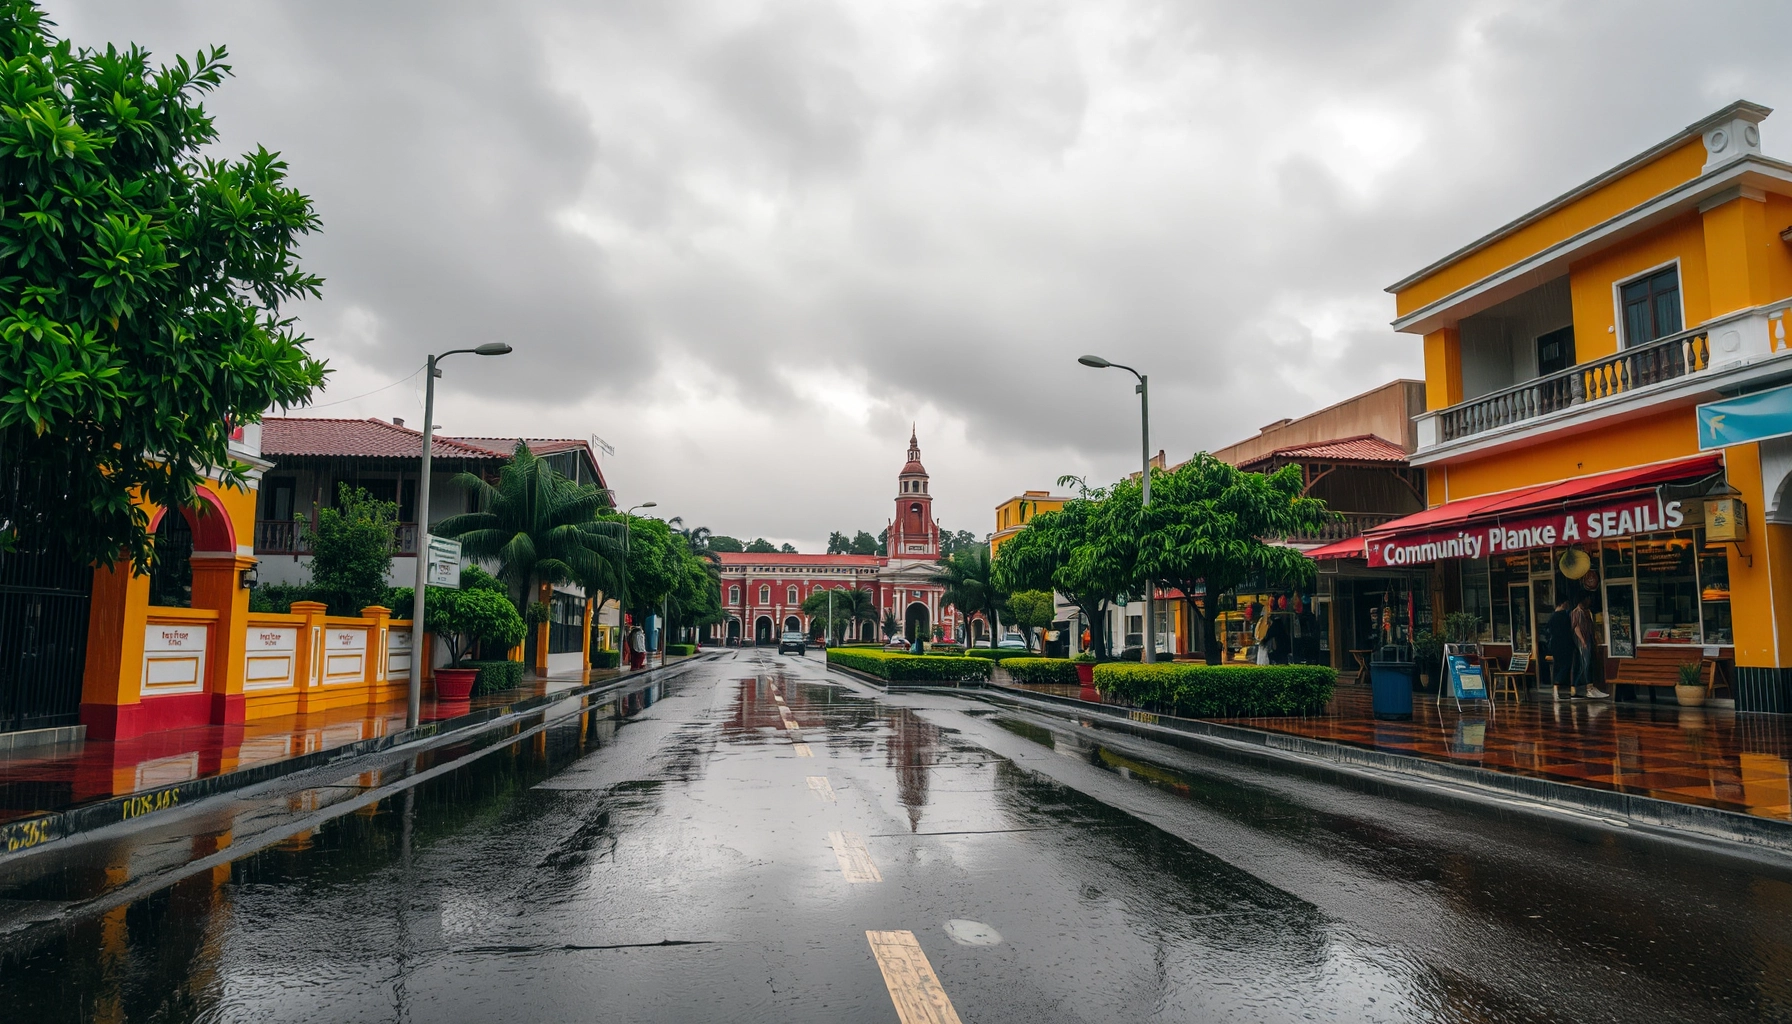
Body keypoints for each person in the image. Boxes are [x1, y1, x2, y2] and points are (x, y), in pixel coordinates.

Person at [1573, 596, 1608, 699]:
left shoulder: (1587, 612)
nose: (1589, 601)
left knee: (1588, 663)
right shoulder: (1577, 612)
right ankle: (1583, 687)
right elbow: (1576, 628)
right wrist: (1583, 641)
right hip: (1582, 641)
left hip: (1589, 639)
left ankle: (1587, 686)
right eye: (1587, 598)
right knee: (1585, 663)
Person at [1545, 597, 1575, 700]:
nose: (1568, 605)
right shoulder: (1564, 616)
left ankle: (1556, 688)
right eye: (1566, 603)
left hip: (1554, 645)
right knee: (1566, 665)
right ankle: (1558, 683)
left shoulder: (1552, 617)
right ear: (1562, 604)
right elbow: (1569, 630)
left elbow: (1548, 632)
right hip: (1564, 644)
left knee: (1558, 665)